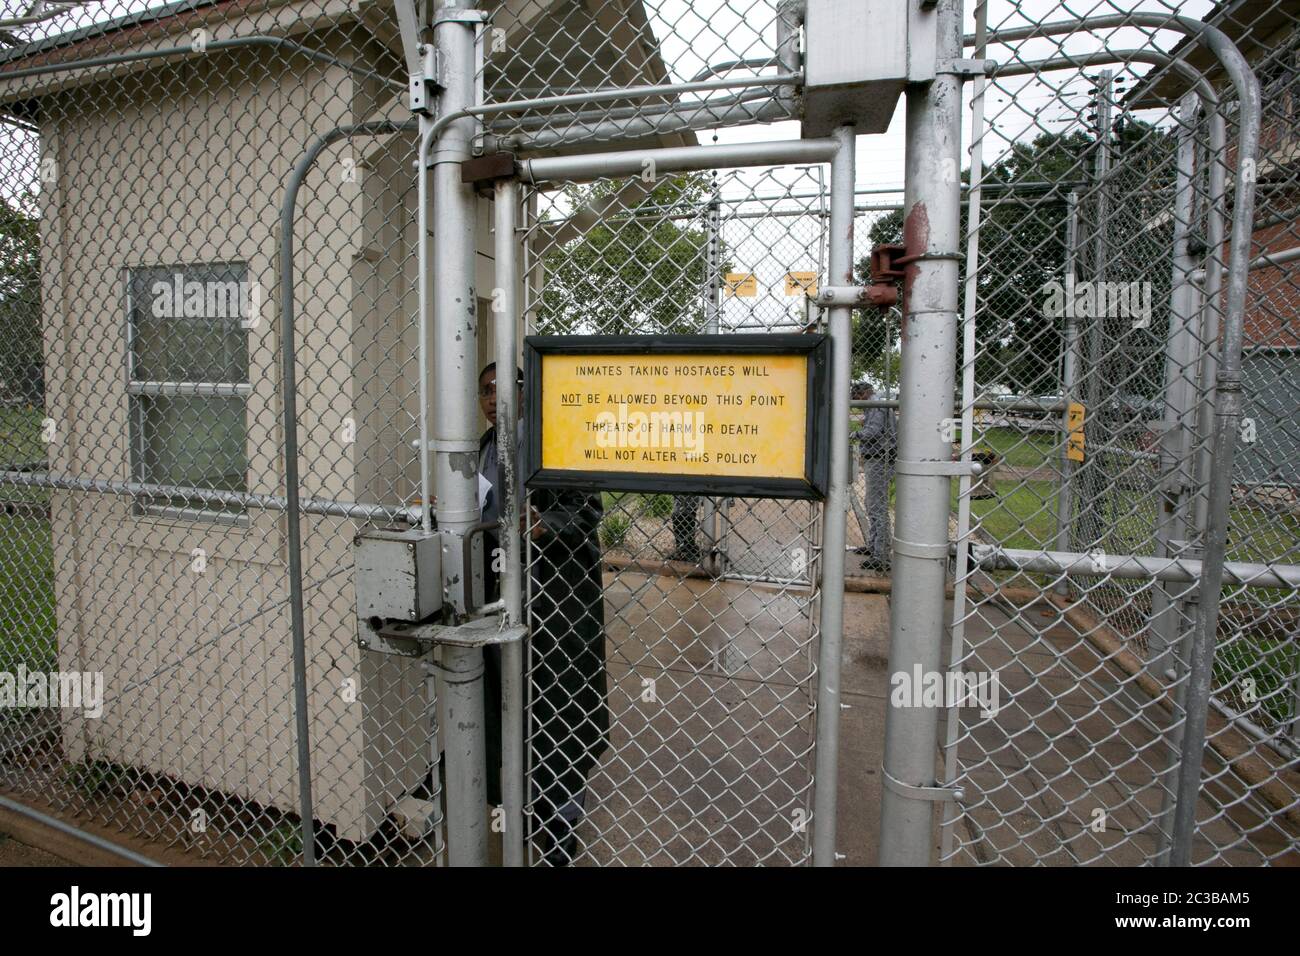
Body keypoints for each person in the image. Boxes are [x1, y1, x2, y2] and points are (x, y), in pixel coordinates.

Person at [477, 362, 609, 866]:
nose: (495, 399)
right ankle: (521, 809)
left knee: (559, 714)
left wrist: (545, 525)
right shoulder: (484, 449)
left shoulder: (557, 439)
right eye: (486, 391)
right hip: (498, 601)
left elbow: (587, 508)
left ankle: (560, 832)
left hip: (556, 605)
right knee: (508, 707)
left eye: (505, 388)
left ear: (527, 392)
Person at [852, 382, 896, 572]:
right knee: (871, 504)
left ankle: (881, 556)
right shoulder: (875, 405)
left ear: (863, 394)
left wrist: (854, 434)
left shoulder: (875, 404)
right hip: (877, 457)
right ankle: (873, 546)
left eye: (856, 397)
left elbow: (873, 432)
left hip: (881, 459)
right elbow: (876, 427)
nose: (855, 402)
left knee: (877, 506)